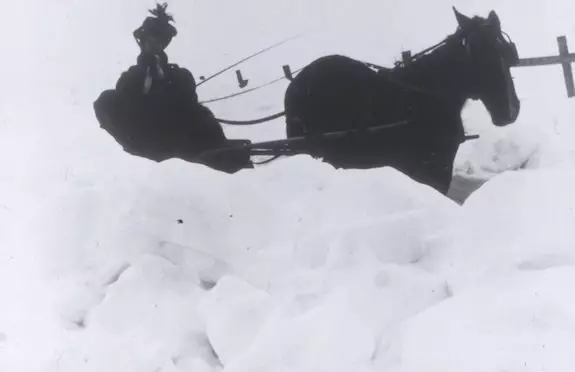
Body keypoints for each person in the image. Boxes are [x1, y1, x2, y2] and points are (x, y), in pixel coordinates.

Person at [93, 3, 252, 173]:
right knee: (105, 99)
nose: (153, 44)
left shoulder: (178, 75)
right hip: (145, 136)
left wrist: (165, 80)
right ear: (144, 42)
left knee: (201, 113)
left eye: (158, 41)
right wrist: (145, 74)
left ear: (163, 44)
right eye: (150, 40)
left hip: (174, 134)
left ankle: (220, 151)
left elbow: (190, 106)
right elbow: (127, 105)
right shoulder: (132, 76)